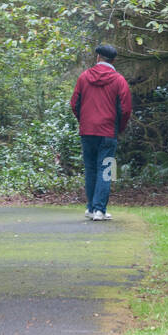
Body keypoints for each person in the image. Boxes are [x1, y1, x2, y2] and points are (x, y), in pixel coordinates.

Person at [70, 43, 131, 221]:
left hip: (87, 132)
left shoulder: (83, 77)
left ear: (98, 58)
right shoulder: (119, 80)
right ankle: (99, 210)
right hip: (108, 133)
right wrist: (118, 128)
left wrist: (84, 121)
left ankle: (91, 208)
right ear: (113, 60)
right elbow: (126, 109)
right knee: (106, 170)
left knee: (90, 169)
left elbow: (74, 103)